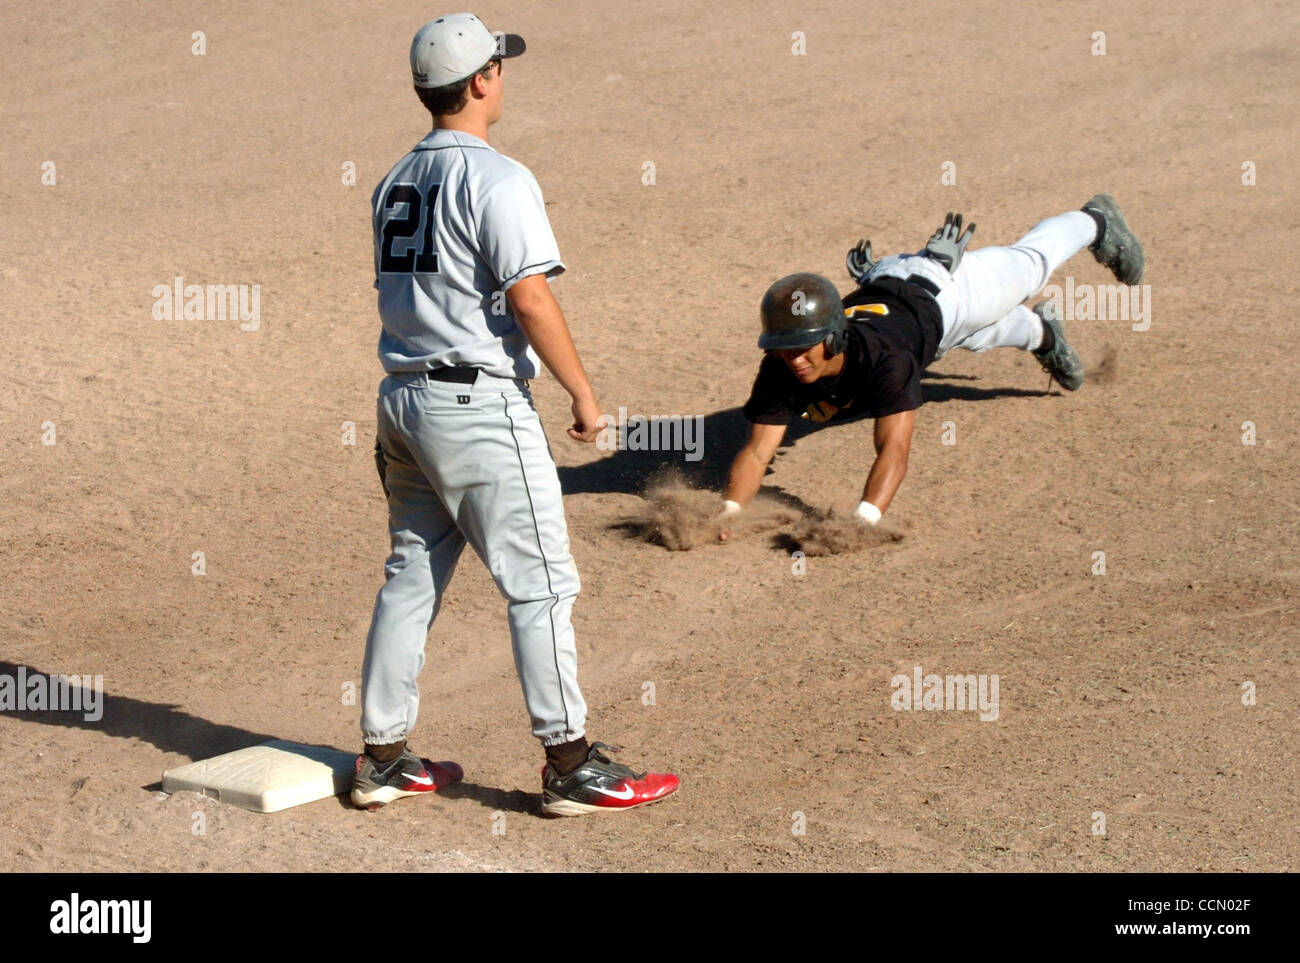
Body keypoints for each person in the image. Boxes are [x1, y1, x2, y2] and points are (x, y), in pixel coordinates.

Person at [352, 13, 678, 817]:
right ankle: (570, 762)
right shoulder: (498, 178)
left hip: (402, 401)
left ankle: (383, 758)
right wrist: (584, 393)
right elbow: (530, 296)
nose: (504, 75)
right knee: (540, 583)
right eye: (499, 64)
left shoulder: (392, 180)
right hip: (477, 406)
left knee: (412, 572)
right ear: (480, 82)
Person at [719, 196, 1144, 534]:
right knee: (976, 335)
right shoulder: (781, 363)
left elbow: (894, 450)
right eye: (783, 348)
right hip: (901, 299)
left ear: (832, 337)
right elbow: (758, 452)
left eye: (802, 347)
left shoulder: (887, 361)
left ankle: (1094, 221)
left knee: (1030, 267)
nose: (791, 358)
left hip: (951, 289)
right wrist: (729, 511)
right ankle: (1043, 334)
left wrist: (861, 522)